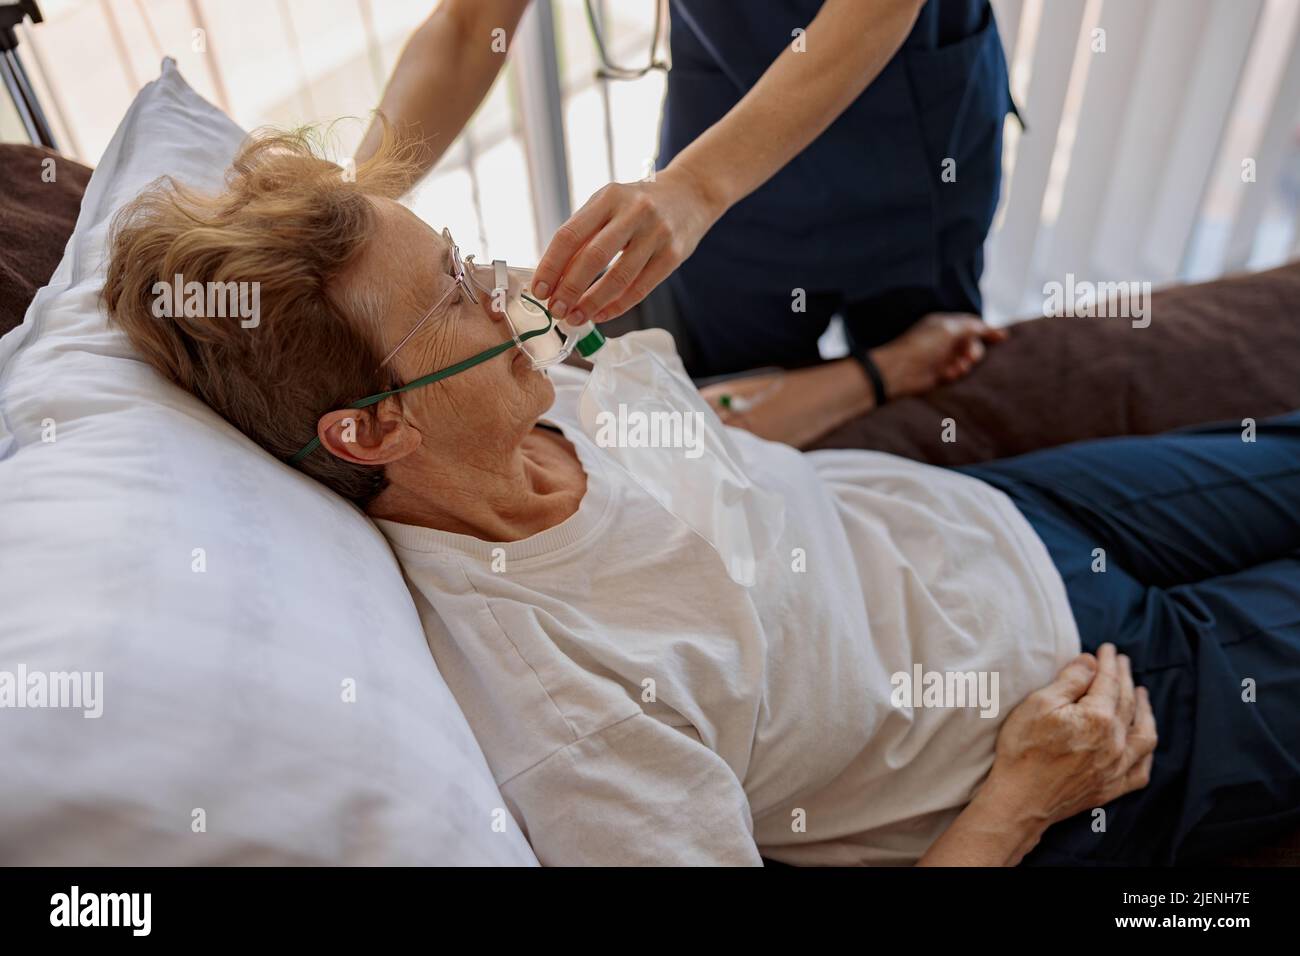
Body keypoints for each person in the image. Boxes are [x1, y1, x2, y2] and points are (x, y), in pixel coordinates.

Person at [102, 131, 1300, 865]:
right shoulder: (561, 705)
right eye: (458, 292)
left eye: (466, 252)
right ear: (372, 428)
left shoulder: (522, 401)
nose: (511, 284)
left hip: (1007, 519)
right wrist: (1027, 799)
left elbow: (693, 435)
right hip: (1088, 705)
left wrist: (881, 371)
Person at [357, 0, 1016, 444]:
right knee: (764, 416)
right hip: (726, 128)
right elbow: (469, 28)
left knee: (935, 406)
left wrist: (698, 187)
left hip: (912, 143)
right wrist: (357, 205)